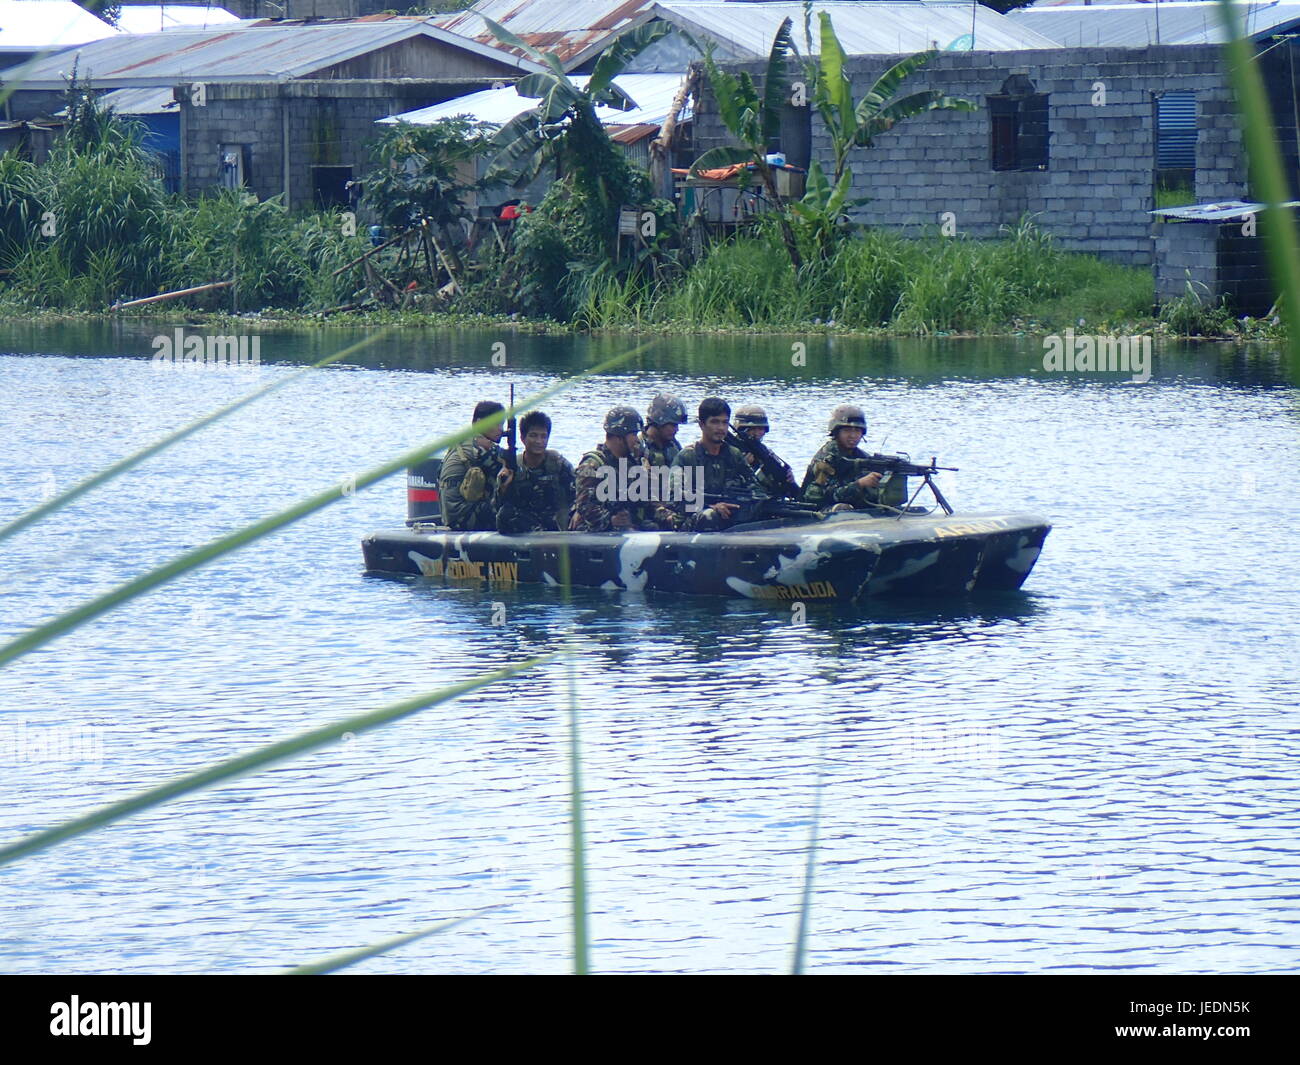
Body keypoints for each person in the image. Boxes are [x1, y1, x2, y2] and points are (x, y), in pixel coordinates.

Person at [661, 397, 762, 531]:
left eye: (724, 423)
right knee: (710, 515)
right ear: (702, 424)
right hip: (689, 523)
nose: (720, 428)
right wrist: (710, 506)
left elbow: (755, 489)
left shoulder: (734, 455)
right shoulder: (688, 457)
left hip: (728, 516)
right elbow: (674, 499)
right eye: (715, 422)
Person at [571, 406, 663, 532]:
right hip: (596, 532)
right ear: (619, 438)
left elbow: (647, 499)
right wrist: (611, 520)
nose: (637, 439)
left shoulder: (632, 463)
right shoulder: (593, 465)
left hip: (628, 528)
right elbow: (586, 506)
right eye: (633, 434)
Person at [801, 404, 905, 511]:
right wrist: (859, 484)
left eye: (857, 431)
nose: (853, 435)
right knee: (842, 509)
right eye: (847, 431)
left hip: (855, 507)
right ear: (836, 432)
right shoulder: (825, 460)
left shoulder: (862, 457)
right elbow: (815, 498)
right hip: (819, 510)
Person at [495, 410, 576, 533]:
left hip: (556, 525)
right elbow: (497, 506)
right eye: (533, 435)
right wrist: (504, 488)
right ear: (522, 438)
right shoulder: (513, 466)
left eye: (543, 436)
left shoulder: (559, 464)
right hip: (526, 524)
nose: (539, 441)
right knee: (505, 514)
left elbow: (576, 495)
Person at [439, 400, 506, 530]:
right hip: (463, 517)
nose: (500, 429)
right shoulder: (481, 446)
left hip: (451, 515)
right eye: (496, 423)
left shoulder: (462, 441)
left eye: (502, 424)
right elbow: (511, 465)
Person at [732, 404, 800, 498]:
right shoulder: (729, 450)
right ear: (741, 429)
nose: (757, 433)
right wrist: (742, 467)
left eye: (760, 428)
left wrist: (790, 480)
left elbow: (789, 490)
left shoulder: (764, 452)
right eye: (751, 429)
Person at [640, 394, 687, 467]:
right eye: (672, 425)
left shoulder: (674, 445)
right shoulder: (639, 446)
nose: (676, 430)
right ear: (659, 422)